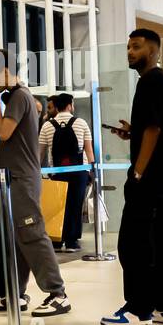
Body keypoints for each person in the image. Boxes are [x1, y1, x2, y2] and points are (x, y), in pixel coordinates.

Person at [102, 29, 163, 325]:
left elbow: (153, 131)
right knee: (162, 237)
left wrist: (137, 172)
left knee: (134, 241)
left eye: (136, 47)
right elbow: (154, 127)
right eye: (128, 47)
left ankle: (139, 309)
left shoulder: (150, 81)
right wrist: (132, 131)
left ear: (152, 51)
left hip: (152, 176)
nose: (129, 52)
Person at [0, 51, 72, 317]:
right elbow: (16, 139)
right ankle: (17, 293)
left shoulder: (18, 96)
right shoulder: (24, 97)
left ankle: (57, 293)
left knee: (32, 233)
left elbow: (3, 132)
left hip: (22, 177)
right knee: (20, 236)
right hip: (16, 173)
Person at [38, 92, 94, 252]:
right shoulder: (81, 123)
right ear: (69, 105)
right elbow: (89, 150)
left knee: (58, 205)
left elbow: (39, 153)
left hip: (57, 171)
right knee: (75, 204)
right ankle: (72, 241)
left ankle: (56, 240)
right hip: (79, 171)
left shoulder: (47, 125)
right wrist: (92, 171)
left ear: (56, 106)